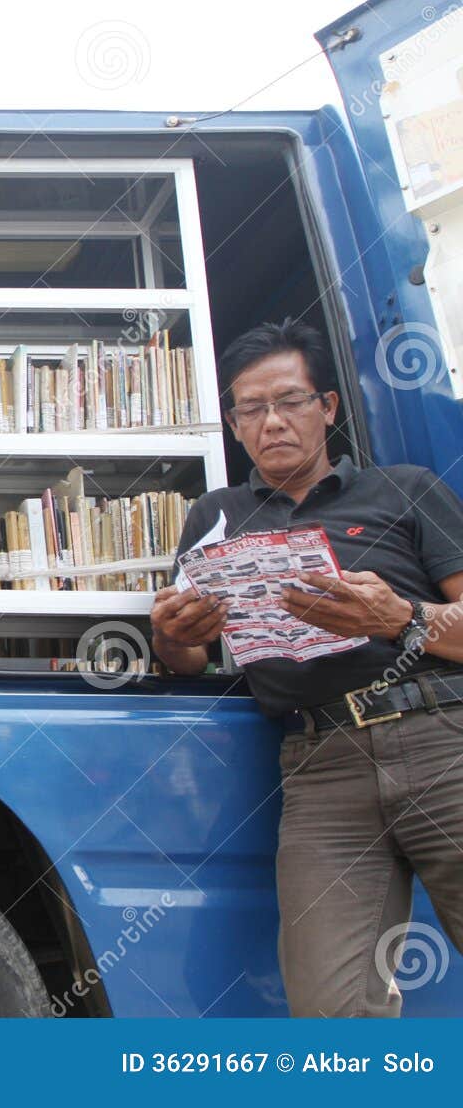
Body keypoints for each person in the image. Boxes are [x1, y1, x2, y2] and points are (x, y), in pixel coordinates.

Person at [151, 318, 463, 1017]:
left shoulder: (404, 490)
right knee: (329, 1011)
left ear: (327, 406)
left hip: (442, 738)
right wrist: (171, 637)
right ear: (235, 426)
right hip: (320, 765)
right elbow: (187, 661)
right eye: (252, 409)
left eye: (289, 401)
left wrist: (401, 617)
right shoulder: (215, 516)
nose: (272, 422)